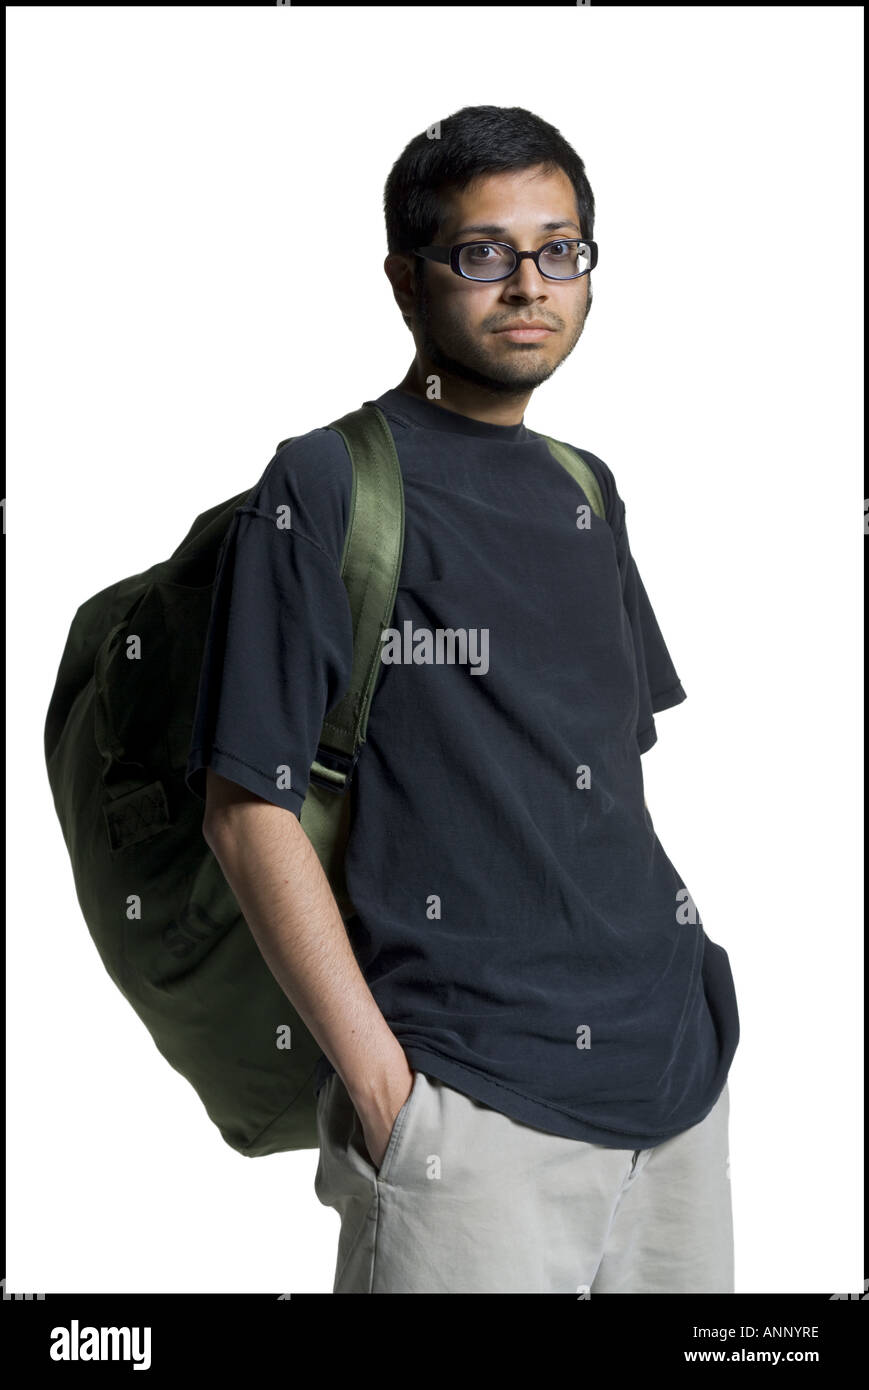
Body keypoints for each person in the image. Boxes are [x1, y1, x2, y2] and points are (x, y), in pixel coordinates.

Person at [185, 104, 739, 1294]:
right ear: (405, 278)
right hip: (467, 1115)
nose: (527, 285)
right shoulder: (327, 480)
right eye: (482, 253)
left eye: (561, 250)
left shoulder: (584, 485)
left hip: (675, 1092)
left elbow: (597, 784)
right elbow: (247, 807)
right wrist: (388, 1094)